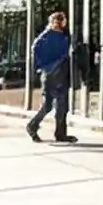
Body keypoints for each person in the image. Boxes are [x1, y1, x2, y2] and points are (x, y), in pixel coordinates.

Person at [27, 11, 75, 143]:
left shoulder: (62, 37)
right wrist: (43, 66)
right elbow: (35, 49)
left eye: (61, 21)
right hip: (52, 74)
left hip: (60, 74)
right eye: (58, 21)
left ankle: (59, 133)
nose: (60, 24)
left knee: (60, 106)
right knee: (51, 105)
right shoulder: (48, 36)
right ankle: (33, 126)